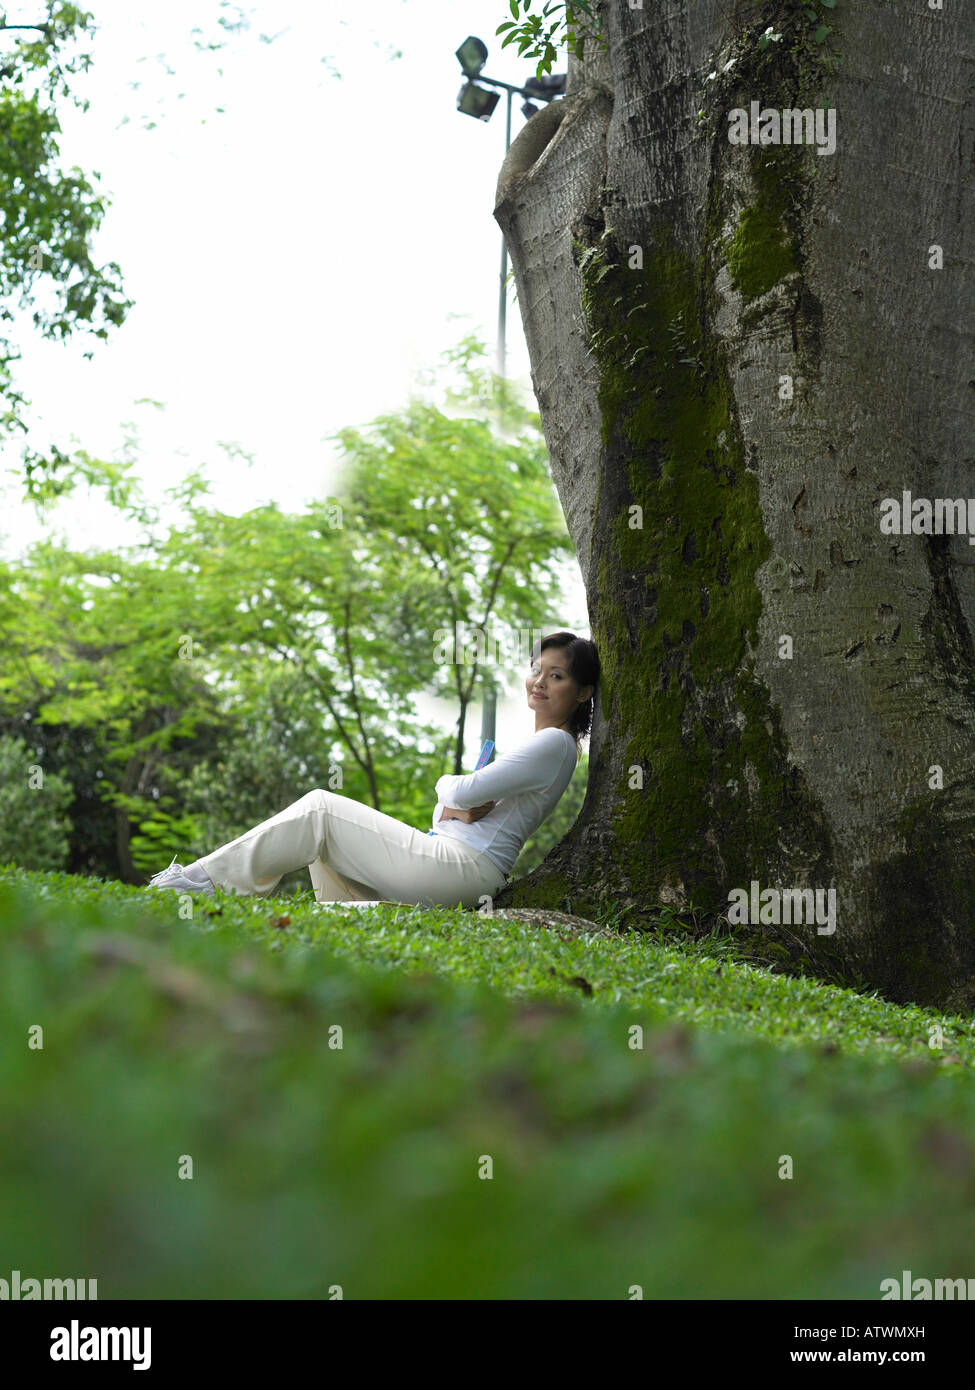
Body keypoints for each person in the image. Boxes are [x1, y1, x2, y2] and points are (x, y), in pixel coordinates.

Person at [148, 631, 599, 909]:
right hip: (456, 865)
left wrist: (448, 794)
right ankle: (344, 915)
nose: (539, 681)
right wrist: (456, 806)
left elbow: (462, 792)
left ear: (582, 694)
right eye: (537, 669)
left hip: (462, 869)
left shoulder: (554, 744)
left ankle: (201, 883)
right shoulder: (548, 746)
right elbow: (465, 803)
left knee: (321, 811)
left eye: (556, 676)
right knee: (325, 845)